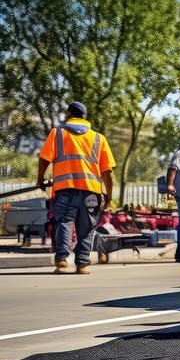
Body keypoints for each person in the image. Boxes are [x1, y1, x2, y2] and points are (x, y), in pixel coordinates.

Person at [36, 101, 116, 274]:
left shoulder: (57, 133)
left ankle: (62, 260)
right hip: (91, 191)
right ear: (84, 117)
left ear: (68, 114)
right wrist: (109, 196)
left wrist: (40, 180)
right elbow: (107, 172)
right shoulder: (98, 138)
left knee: (64, 222)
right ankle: (83, 264)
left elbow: (44, 159)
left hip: (65, 189)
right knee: (87, 227)